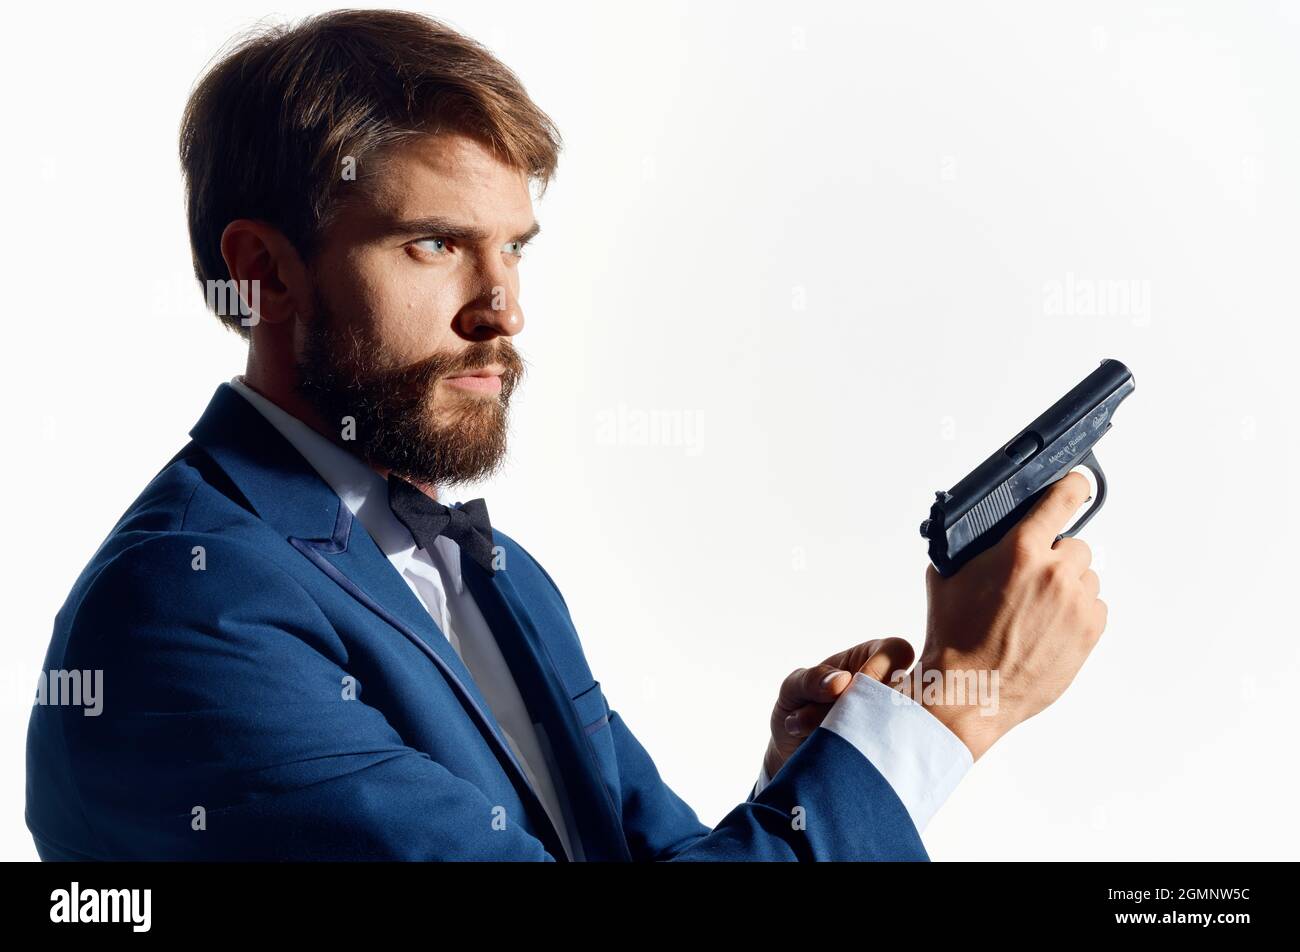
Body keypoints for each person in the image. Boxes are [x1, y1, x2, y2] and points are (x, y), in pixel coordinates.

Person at [25, 9, 1106, 861]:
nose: (503, 306)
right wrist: (957, 705)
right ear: (263, 270)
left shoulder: (492, 572)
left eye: (515, 249)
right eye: (436, 244)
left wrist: (811, 778)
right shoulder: (187, 607)